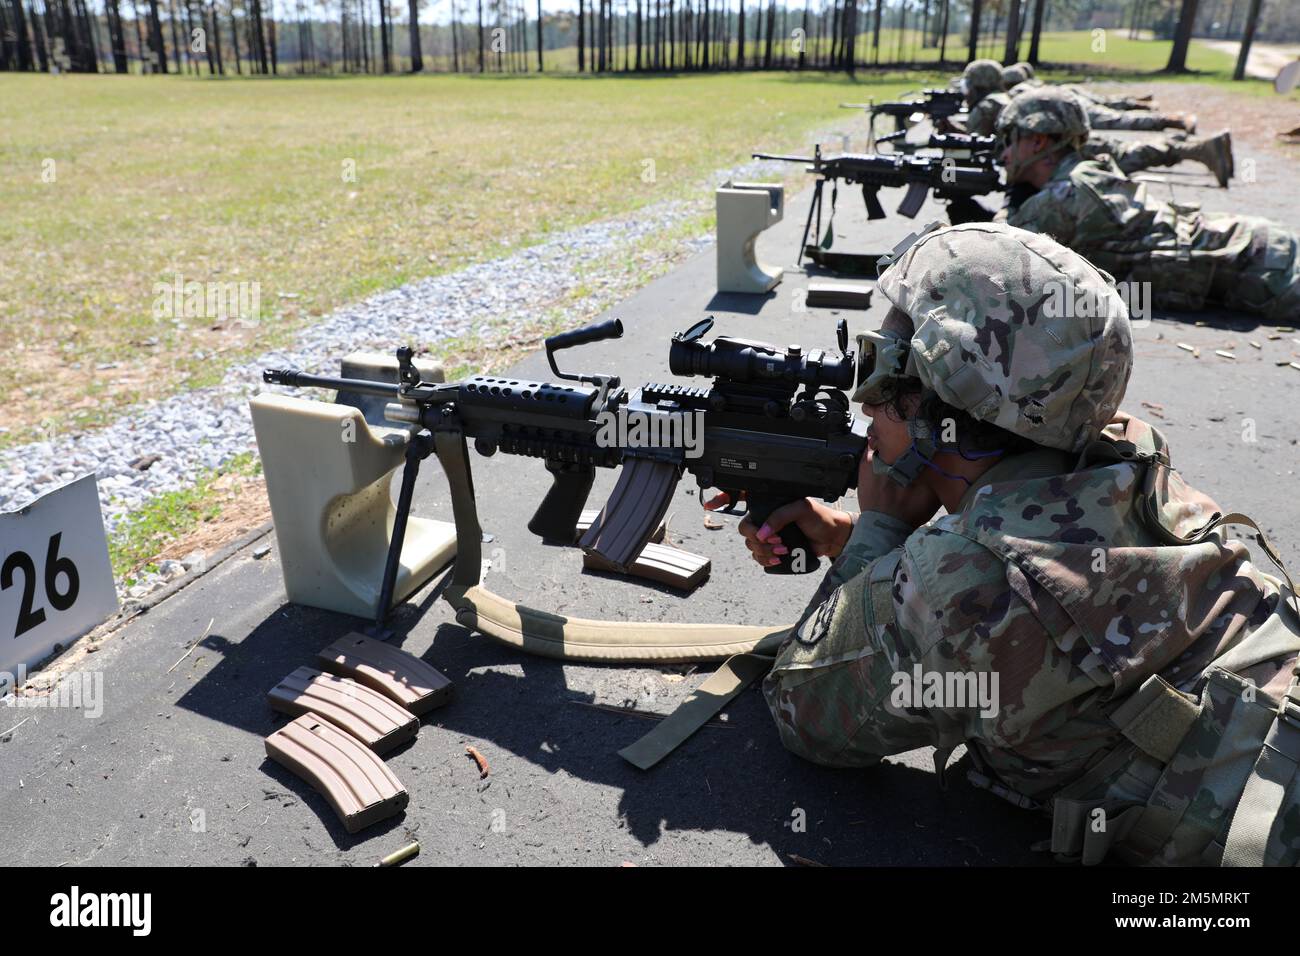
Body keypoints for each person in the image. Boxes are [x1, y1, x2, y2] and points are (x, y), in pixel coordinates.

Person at [724, 221, 1300, 865]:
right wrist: (861, 540)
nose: (864, 401)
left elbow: (807, 711)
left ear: (937, 399)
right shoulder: (1125, 460)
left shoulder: (965, 587)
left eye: (879, 364)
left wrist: (882, 528)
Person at [999, 87, 1300, 319]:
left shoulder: (1061, 198)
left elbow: (996, 265)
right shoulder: (1089, 169)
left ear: (1038, 141)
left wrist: (1000, 207)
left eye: (1008, 140)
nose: (1003, 154)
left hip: (1262, 272)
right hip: (1251, 242)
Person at [961, 60, 1232, 186]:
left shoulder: (985, 106)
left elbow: (969, 144)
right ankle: (1200, 148)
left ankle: (1201, 149)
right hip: (1060, 141)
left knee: (1128, 155)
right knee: (1125, 151)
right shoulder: (999, 99)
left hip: (1050, 148)